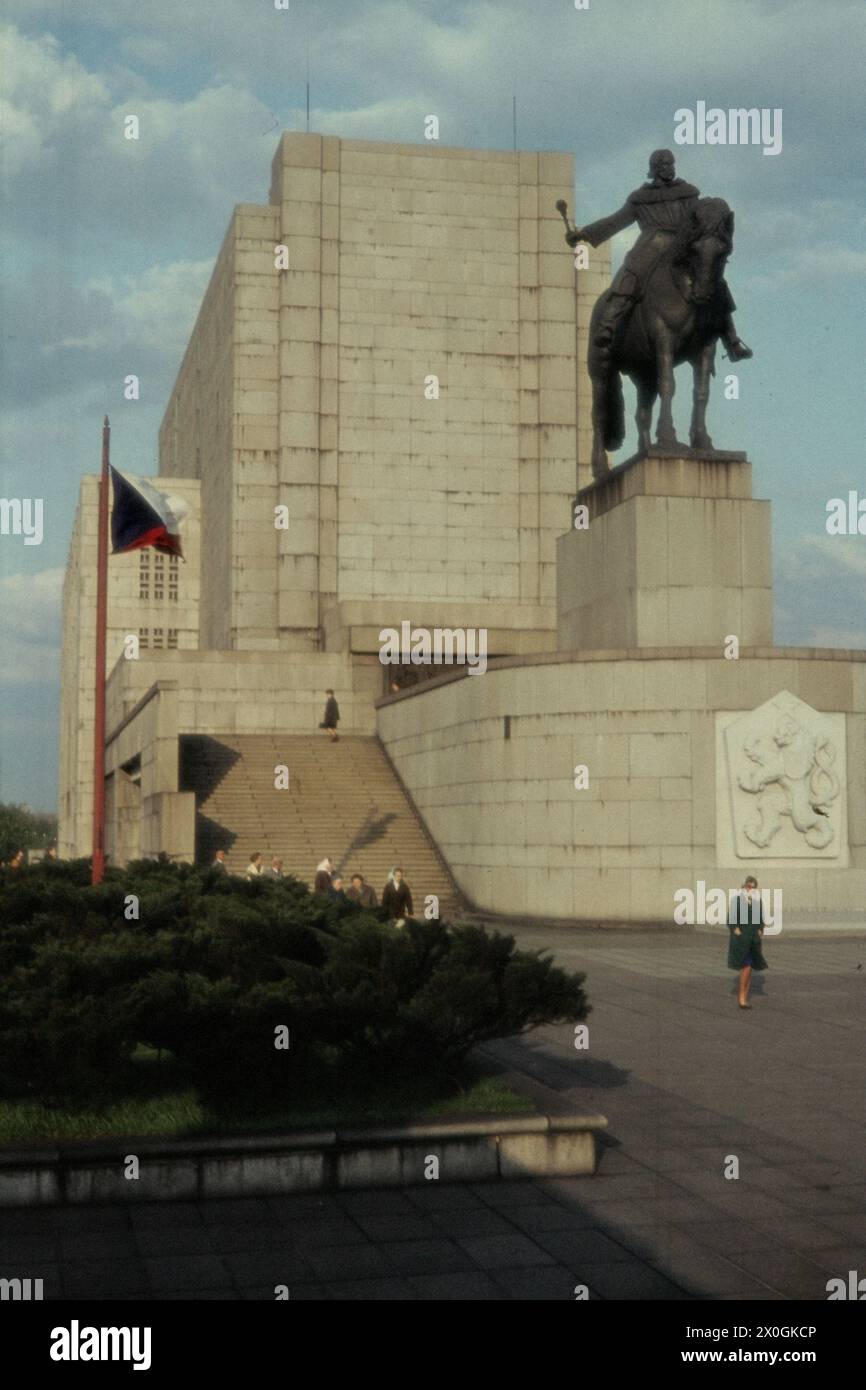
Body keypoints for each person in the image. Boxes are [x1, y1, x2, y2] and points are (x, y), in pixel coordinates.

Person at [566, 149, 752, 361]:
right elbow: (615, 221)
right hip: (652, 244)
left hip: (683, 246)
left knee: (713, 280)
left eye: (671, 164)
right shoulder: (640, 199)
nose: (669, 169)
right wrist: (584, 233)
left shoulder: (688, 192)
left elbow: (701, 218)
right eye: (664, 165)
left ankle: (732, 339)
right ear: (654, 169)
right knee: (630, 274)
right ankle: (608, 324)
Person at [727, 876, 769, 1009]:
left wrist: (760, 929)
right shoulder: (737, 900)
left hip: (753, 940)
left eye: (753, 887)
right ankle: (742, 997)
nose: (751, 889)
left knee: (749, 967)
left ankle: (744, 995)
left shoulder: (757, 901)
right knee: (746, 966)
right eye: (749, 887)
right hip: (742, 940)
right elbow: (731, 919)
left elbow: (761, 918)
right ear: (744, 886)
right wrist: (736, 930)